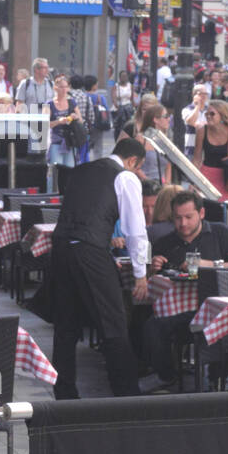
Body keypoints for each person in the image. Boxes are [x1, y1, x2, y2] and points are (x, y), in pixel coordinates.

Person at [46, 137, 149, 399]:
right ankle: (126, 396)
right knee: (114, 323)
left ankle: (65, 394)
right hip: (89, 250)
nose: (139, 173)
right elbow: (135, 231)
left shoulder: (80, 171)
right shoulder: (126, 178)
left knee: (66, 326)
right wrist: (141, 273)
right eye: (138, 168)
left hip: (59, 247)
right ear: (133, 161)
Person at [139, 191, 228, 391]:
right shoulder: (165, 242)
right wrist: (153, 267)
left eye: (189, 217)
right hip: (183, 309)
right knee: (151, 325)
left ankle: (218, 377)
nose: (183, 224)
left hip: (222, 307)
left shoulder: (220, 233)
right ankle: (166, 375)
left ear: (202, 213)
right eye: (178, 218)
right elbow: (151, 280)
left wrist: (205, 265)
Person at [45, 74, 80, 173]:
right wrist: (58, 122)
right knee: (56, 172)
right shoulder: (49, 104)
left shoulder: (72, 102)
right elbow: (44, 124)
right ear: (55, 88)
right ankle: (54, 189)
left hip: (70, 142)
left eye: (66, 87)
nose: (64, 90)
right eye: (61, 87)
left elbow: (80, 120)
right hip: (56, 142)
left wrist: (75, 117)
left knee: (70, 172)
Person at [136, 103, 172, 184]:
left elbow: (168, 166)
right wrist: (149, 183)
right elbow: (134, 166)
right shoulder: (141, 139)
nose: (169, 119)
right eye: (166, 116)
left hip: (160, 187)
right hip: (144, 187)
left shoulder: (166, 140)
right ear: (155, 119)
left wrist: (167, 185)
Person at [182, 85, 208, 157]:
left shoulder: (209, 110)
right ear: (194, 95)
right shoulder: (187, 109)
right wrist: (197, 106)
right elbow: (191, 122)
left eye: (205, 94)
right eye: (201, 94)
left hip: (206, 150)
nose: (204, 96)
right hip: (191, 149)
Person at [112, 70, 135, 136]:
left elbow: (132, 98)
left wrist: (133, 107)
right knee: (119, 126)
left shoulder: (130, 86)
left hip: (128, 108)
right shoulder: (116, 86)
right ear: (119, 77)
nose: (124, 78)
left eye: (125, 76)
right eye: (122, 76)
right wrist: (117, 106)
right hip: (119, 108)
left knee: (128, 125)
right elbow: (113, 98)